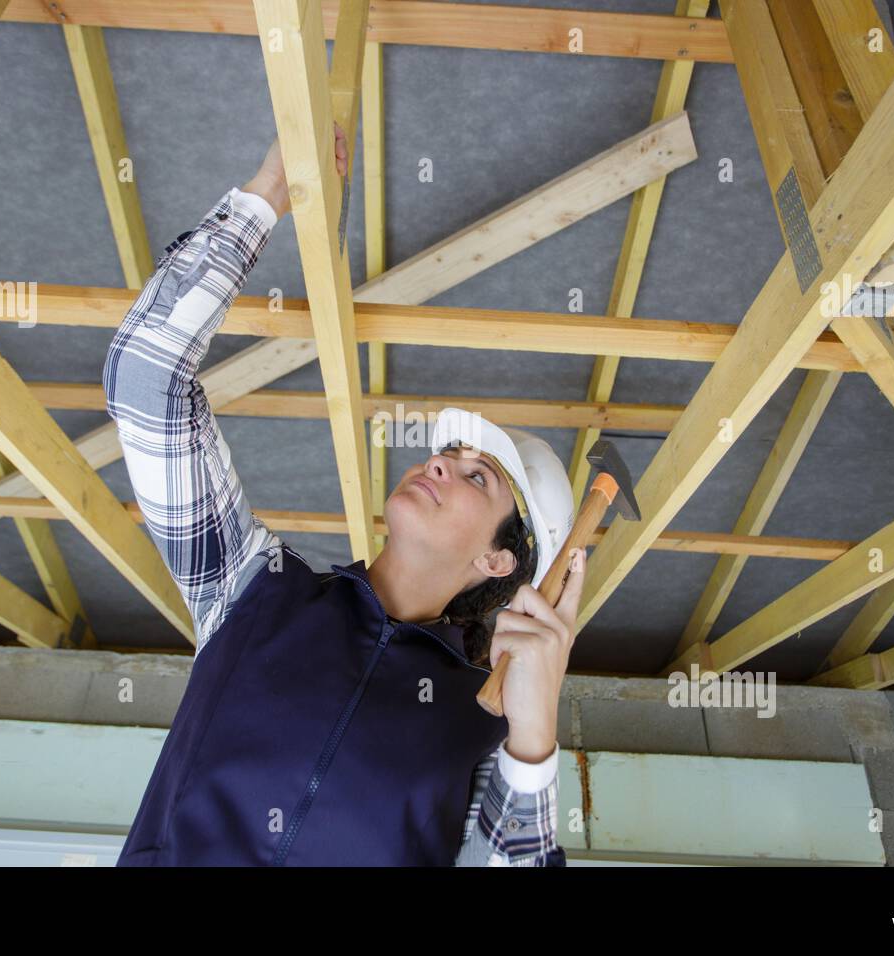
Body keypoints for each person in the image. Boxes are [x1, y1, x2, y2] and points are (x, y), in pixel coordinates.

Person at [104, 124, 585, 866]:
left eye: (477, 476)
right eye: (447, 453)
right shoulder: (253, 591)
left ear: (499, 563)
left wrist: (533, 740)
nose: (441, 466)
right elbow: (145, 379)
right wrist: (264, 199)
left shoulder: (482, 728)